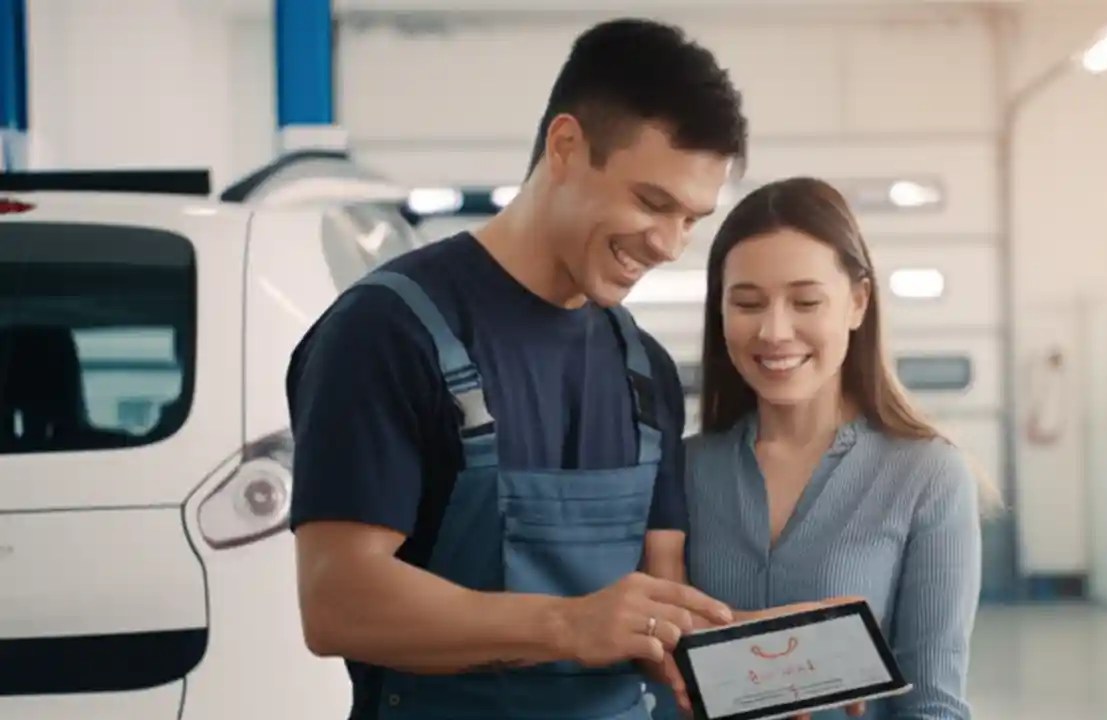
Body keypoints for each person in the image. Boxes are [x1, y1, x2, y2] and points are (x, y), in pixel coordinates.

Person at [285, 18, 751, 720]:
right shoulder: (387, 331)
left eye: (692, 218)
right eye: (652, 203)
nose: (669, 244)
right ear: (565, 146)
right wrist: (567, 625)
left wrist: (752, 659)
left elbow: (658, 593)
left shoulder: (645, 370)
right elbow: (337, 602)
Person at [652, 177, 997, 720]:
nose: (774, 330)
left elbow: (934, 702)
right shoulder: (682, 469)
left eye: (806, 301)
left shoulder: (928, 475)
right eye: (746, 303)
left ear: (858, 301)